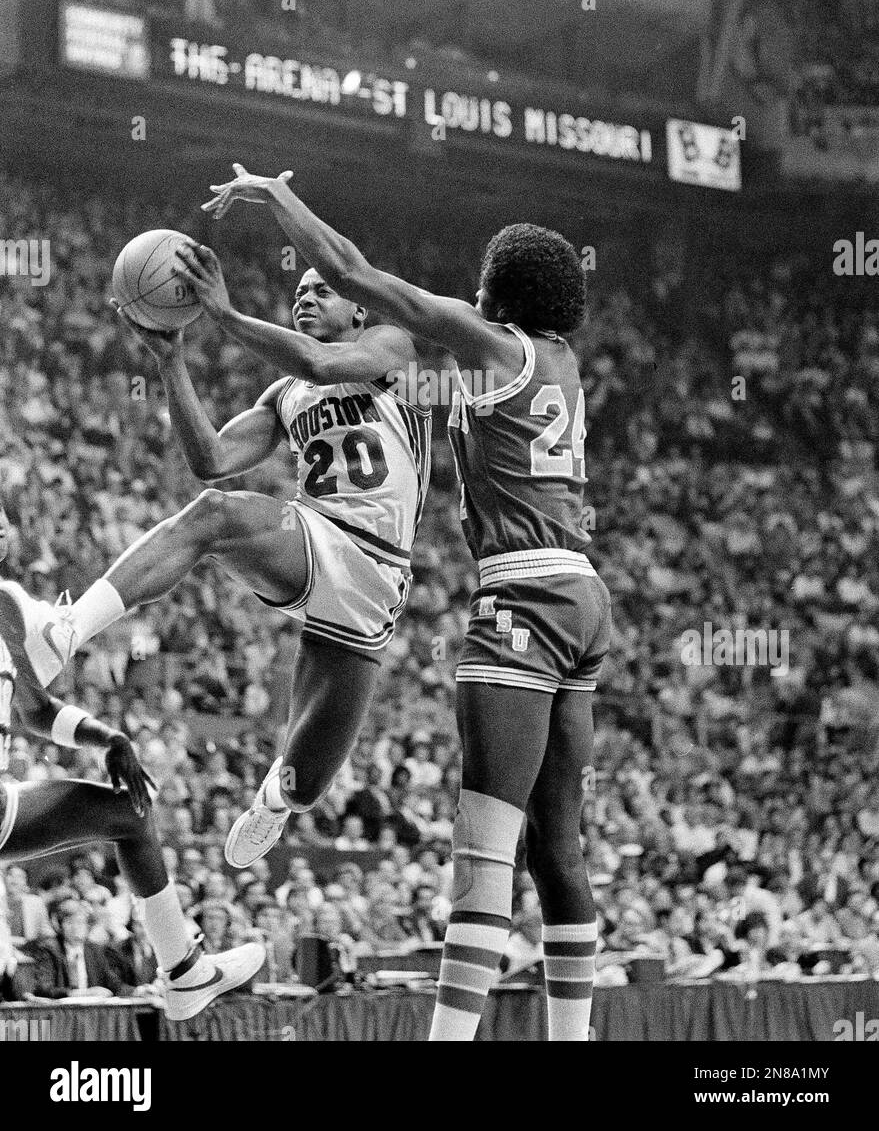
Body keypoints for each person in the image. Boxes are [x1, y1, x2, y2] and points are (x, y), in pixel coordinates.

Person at [198, 163, 612, 1043]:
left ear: (499, 290)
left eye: (482, 277)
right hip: (586, 598)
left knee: (484, 844)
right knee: (559, 847)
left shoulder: (493, 345)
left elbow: (351, 271)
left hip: (524, 595)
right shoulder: (562, 362)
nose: (468, 286)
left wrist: (278, 199)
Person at [0, 248, 431, 870]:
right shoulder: (285, 396)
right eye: (299, 291)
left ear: (359, 307)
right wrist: (171, 361)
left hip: (378, 575)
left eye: (321, 290)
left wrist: (224, 314)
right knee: (215, 511)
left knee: (306, 783)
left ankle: (274, 798)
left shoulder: (393, 348)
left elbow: (319, 359)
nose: (304, 297)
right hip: (318, 535)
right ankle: (70, 628)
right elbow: (211, 459)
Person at [0, 505, 264, 1020]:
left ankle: (184, 973)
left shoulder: (6, 607)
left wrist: (107, 737)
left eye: (3, 515)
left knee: (131, 812)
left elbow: (33, 708)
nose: (0, 524)